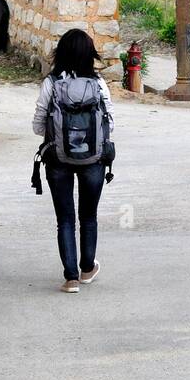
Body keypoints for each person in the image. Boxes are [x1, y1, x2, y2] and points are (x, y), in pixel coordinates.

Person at [33, 29, 115, 293]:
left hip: (58, 159)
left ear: (62, 52)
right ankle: (88, 267)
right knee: (88, 216)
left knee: (65, 218)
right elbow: (110, 121)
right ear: (90, 54)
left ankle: (71, 278)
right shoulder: (98, 83)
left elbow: (37, 124)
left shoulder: (52, 83)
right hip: (93, 159)